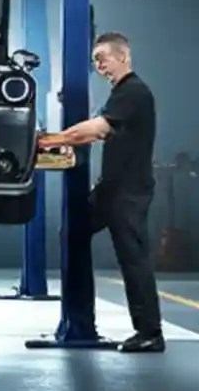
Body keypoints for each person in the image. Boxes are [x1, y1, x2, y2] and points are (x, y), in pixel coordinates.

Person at [38, 31, 164, 353]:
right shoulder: (120, 93)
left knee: (133, 260)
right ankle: (79, 318)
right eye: (95, 61)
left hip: (129, 193)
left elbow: (95, 130)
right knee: (73, 231)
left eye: (103, 59)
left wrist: (48, 140)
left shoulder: (134, 91)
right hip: (111, 190)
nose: (99, 66)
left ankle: (150, 334)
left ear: (123, 56)